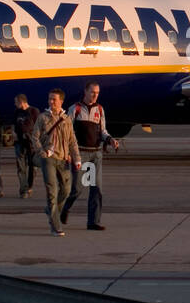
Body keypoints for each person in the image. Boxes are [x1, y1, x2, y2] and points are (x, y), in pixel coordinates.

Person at [62, 82, 121, 230]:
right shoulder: (74, 109)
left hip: (95, 154)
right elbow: (66, 132)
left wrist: (110, 140)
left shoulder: (99, 110)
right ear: (85, 92)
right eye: (92, 92)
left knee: (96, 188)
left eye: (97, 93)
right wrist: (67, 152)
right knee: (77, 188)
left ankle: (93, 221)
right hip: (80, 154)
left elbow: (103, 131)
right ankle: (65, 208)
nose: (95, 95)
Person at [32, 88, 82, 236]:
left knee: (66, 190)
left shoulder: (66, 119)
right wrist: (42, 152)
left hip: (63, 159)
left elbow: (72, 140)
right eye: (50, 99)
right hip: (49, 159)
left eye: (54, 99)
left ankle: (51, 211)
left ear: (61, 101)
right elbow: (34, 137)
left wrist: (77, 158)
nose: (51, 102)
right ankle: (55, 225)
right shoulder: (43, 118)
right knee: (52, 192)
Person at [13, 93, 40, 198]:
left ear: (21, 102)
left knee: (33, 167)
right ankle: (23, 190)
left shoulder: (34, 111)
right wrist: (13, 132)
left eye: (16, 102)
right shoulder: (17, 112)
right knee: (21, 167)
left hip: (31, 143)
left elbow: (38, 126)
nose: (15, 104)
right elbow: (13, 123)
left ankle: (29, 186)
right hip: (19, 143)